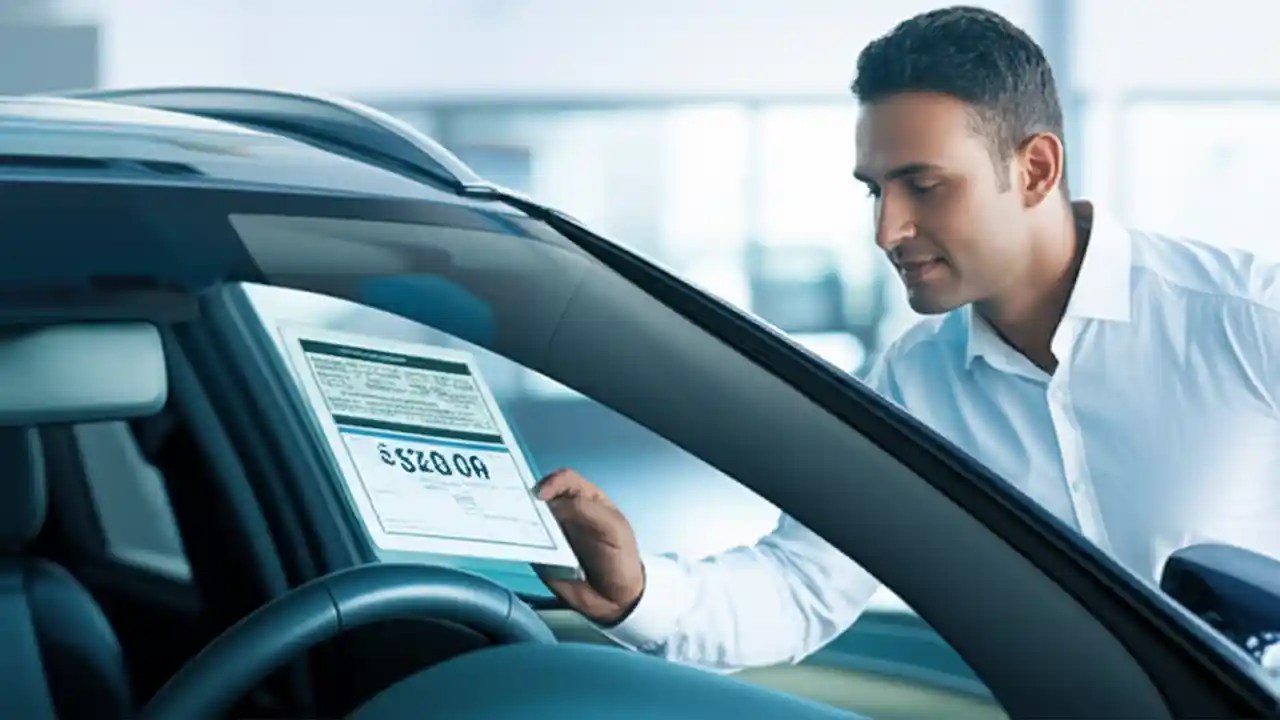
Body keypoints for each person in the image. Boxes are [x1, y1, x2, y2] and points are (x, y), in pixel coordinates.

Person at [533, 5, 1280, 672]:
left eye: (924, 186)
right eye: (875, 190)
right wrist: (639, 588)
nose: (888, 230)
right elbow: (801, 587)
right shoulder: (915, 382)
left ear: (1036, 169)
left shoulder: (1247, 320)